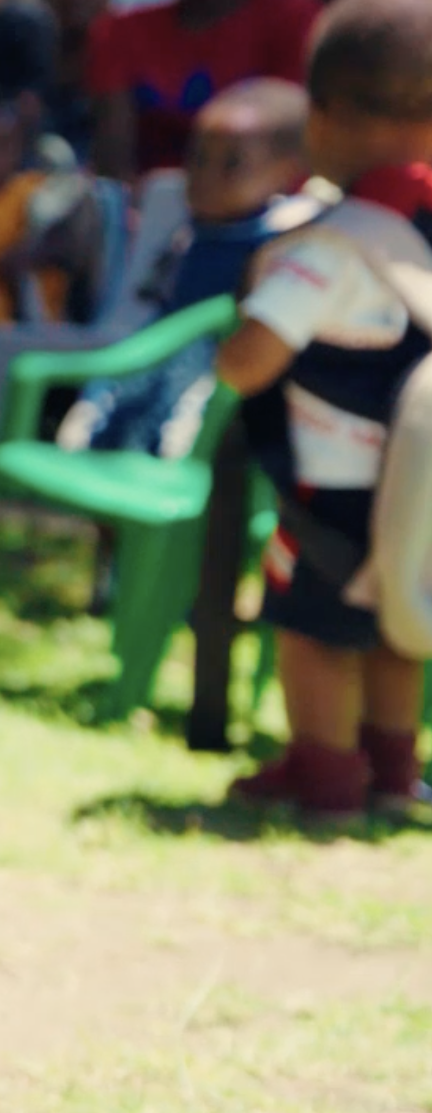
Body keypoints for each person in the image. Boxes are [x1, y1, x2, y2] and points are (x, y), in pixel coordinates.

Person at [219, 0, 432, 819]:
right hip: (418, 492)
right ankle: (393, 772)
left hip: (328, 496)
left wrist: (229, 351)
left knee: (311, 632)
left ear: (323, 116)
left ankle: (325, 774)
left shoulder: (327, 247)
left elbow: (251, 361)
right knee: (396, 621)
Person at [63, 78, 314, 459]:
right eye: (198, 158)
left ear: (286, 172)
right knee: (111, 419)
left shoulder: (275, 242)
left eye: (232, 165)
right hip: (156, 347)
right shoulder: (187, 229)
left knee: (172, 439)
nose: (205, 177)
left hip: (210, 370)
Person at [88, 0, 321, 180]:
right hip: (149, 208)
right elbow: (113, 160)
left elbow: (292, 141)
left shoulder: (293, 18)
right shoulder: (120, 31)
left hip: (264, 204)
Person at [0, 97, 104, 324]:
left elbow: (80, 223)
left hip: (2, 320)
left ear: (18, 149)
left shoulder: (35, 192)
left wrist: (34, 252)